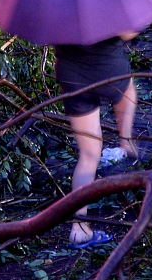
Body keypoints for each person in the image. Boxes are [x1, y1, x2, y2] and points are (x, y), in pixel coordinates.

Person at [54, 32, 138, 248]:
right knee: (127, 91)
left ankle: (79, 229)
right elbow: (127, 33)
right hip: (109, 70)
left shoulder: (53, 0)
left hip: (72, 76)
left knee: (89, 155)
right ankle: (126, 142)